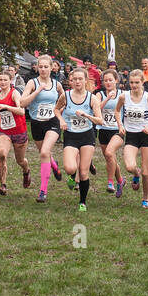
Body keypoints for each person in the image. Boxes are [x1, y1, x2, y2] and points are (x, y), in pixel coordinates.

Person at [115, 69, 148, 208]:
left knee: (146, 172)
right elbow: (117, 111)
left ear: (142, 82)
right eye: (131, 82)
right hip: (131, 135)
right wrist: (120, 125)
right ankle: (135, 173)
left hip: (147, 135)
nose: (134, 85)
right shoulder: (124, 97)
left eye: (137, 82)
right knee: (130, 166)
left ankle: (145, 198)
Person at [19, 54, 64, 203]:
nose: (43, 69)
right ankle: (54, 165)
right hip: (36, 124)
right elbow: (22, 103)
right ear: (37, 68)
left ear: (52, 68)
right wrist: (37, 92)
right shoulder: (32, 83)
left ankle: (43, 191)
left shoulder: (57, 84)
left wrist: (60, 113)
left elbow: (65, 100)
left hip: (52, 122)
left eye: (46, 67)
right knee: (44, 153)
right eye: (41, 66)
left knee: (44, 152)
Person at [55, 65, 99, 212]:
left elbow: (100, 120)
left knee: (84, 171)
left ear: (86, 80)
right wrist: (61, 120)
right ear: (71, 81)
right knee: (70, 167)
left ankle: (82, 202)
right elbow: (56, 109)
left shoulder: (92, 98)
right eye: (75, 79)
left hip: (87, 136)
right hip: (71, 136)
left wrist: (87, 115)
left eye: (81, 79)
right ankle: (72, 176)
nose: (78, 82)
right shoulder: (65, 96)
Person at [0, 68, 30, 195]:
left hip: (19, 131)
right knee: (2, 154)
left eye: (5, 80)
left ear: (10, 81)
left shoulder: (15, 94)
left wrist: (7, 107)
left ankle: (26, 171)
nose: (3, 82)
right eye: (0, 80)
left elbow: (21, 111)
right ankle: (3, 185)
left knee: (20, 161)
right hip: (4, 130)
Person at [96, 70, 125, 197]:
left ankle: (110, 182)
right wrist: (108, 97)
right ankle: (120, 180)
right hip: (103, 130)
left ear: (116, 81)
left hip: (117, 130)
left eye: (110, 80)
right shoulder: (100, 94)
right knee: (110, 158)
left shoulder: (122, 94)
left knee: (109, 153)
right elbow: (97, 109)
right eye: (105, 80)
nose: (108, 83)